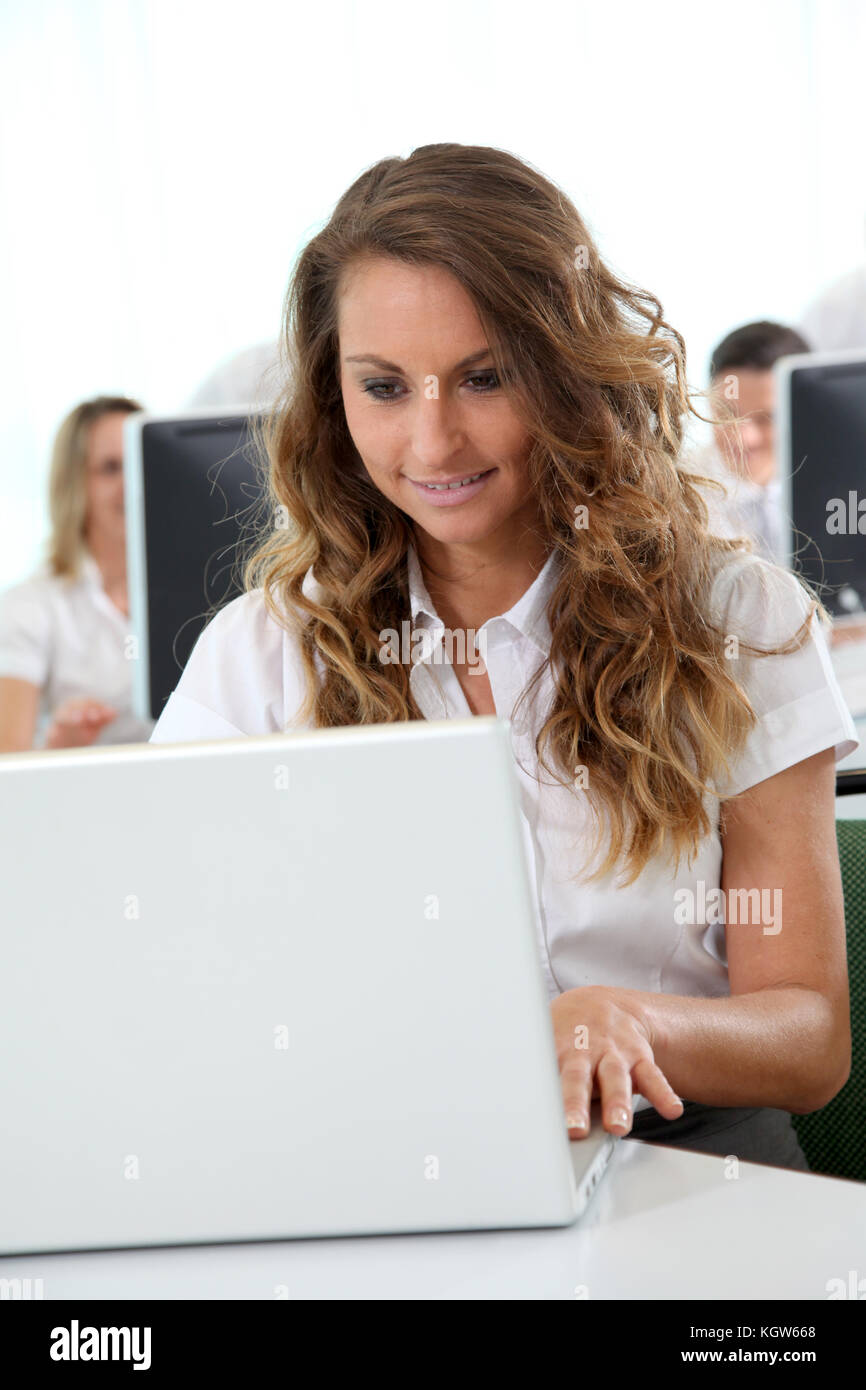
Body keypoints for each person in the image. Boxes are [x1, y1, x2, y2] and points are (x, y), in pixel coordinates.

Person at [149, 143, 858, 1170]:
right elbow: (180, 982)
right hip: (379, 1161)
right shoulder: (261, 654)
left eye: (483, 377)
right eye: (383, 387)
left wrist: (627, 1022)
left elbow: (808, 1040)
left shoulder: (730, 617)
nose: (432, 444)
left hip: (684, 1153)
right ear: (329, 396)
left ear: (567, 371)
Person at [0, 395, 156, 752]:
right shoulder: (28, 607)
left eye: (141, 462)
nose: (131, 483)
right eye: (110, 468)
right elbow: (7, 766)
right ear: (74, 485)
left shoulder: (207, 589)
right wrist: (61, 746)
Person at [686, 320, 811, 566]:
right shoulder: (679, 495)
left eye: (768, 418)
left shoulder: (839, 491)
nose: (744, 438)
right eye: (726, 412)